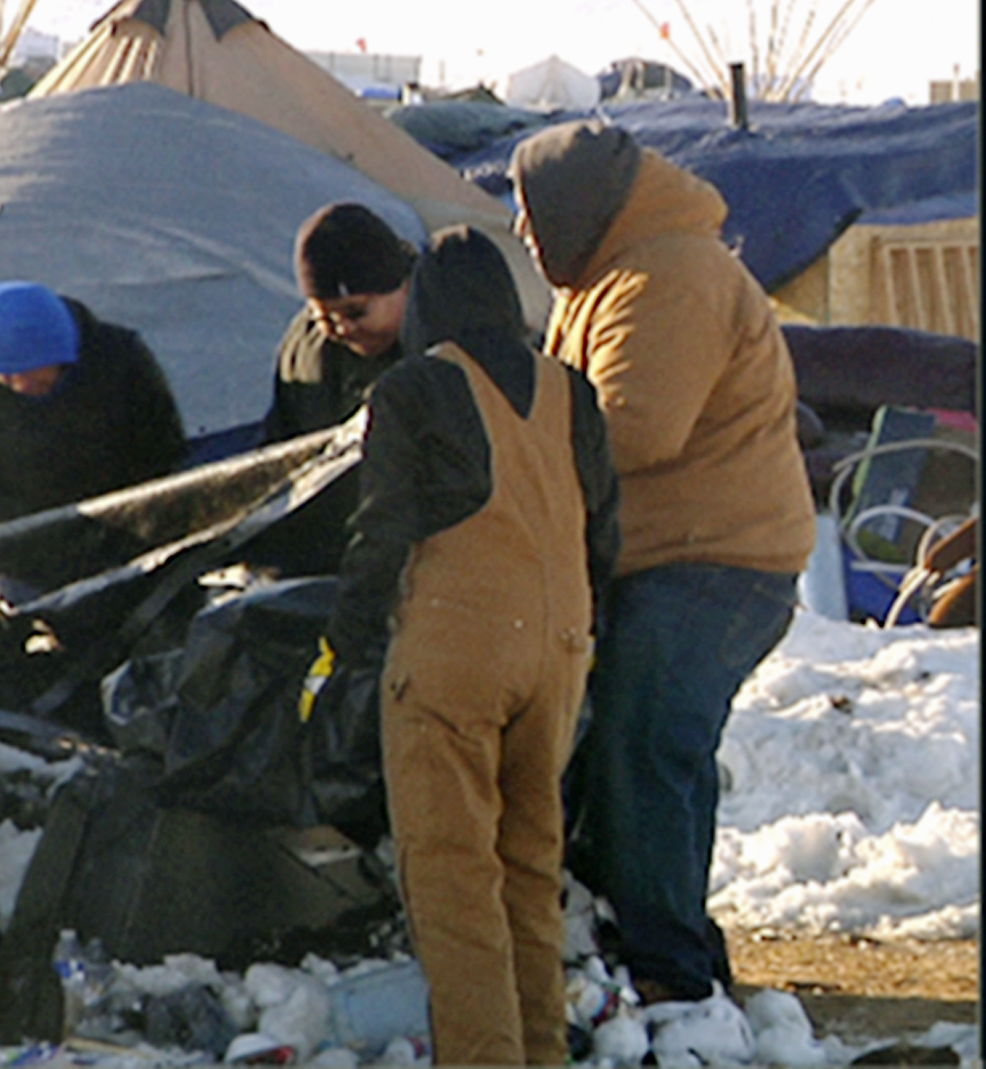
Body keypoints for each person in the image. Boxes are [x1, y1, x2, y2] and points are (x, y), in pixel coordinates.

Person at [511, 120, 817, 1007]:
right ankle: (672, 946)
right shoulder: (611, 273)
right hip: (674, 555)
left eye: (530, 210)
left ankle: (671, 975)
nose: (523, 230)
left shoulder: (668, 275)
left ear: (576, 205)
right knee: (655, 755)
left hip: (716, 560)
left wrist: (509, 452)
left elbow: (633, 429)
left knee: (641, 749)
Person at [319, 225, 618, 1065]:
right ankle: (541, 1052)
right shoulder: (572, 390)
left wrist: (339, 653)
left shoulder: (414, 388)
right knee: (530, 870)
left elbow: (381, 535)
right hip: (557, 654)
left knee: (453, 878)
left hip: (457, 657)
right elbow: (604, 533)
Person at [246, 202, 418, 576]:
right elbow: (280, 452)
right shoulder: (306, 350)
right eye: (325, 317)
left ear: (403, 287)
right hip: (327, 559)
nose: (343, 328)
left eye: (356, 312)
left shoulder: (446, 347)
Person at [0, 280, 187, 532]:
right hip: (36, 528)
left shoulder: (122, 363)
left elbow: (163, 450)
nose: (20, 385)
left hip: (132, 508)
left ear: (63, 357)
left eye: (32, 373)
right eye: (6, 376)